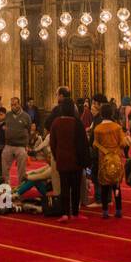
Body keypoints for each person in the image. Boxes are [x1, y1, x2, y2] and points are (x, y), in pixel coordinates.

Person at [46, 92, 87, 222]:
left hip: (62, 160)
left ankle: (64, 213)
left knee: (64, 187)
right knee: (75, 188)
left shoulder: (56, 123)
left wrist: (57, 155)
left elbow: (52, 143)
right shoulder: (78, 123)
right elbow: (83, 144)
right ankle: (75, 212)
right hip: (76, 161)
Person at [91, 103, 127, 219]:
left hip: (103, 160)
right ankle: (118, 210)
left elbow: (95, 145)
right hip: (115, 159)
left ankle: (105, 211)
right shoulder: (117, 127)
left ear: (101, 114)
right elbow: (123, 143)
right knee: (116, 186)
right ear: (111, 113)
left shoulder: (97, 129)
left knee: (104, 187)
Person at [16, 140, 60, 211]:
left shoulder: (53, 169)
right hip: (49, 189)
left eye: (49, 157)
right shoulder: (49, 166)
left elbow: (42, 176)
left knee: (34, 180)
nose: (46, 159)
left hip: (52, 193)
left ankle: (17, 194)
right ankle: (17, 192)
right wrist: (27, 174)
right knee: (33, 178)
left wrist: (27, 177)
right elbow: (37, 171)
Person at [0, 97, 32, 187]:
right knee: (4, 166)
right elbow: (1, 124)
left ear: (19, 104)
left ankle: (20, 187)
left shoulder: (26, 116)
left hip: (21, 146)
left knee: (22, 169)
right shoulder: (8, 115)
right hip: (8, 145)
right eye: (11, 105)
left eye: (15, 104)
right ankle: (6, 185)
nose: (13, 106)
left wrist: (27, 145)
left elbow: (29, 131)